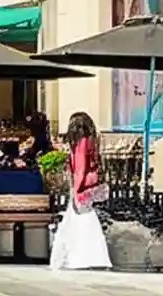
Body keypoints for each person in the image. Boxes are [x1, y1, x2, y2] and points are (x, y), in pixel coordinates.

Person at [50, 112, 112, 270]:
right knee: (83, 221)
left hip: (82, 188)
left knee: (81, 221)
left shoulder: (81, 144)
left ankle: (78, 258)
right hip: (88, 188)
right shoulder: (92, 141)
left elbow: (80, 168)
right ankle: (89, 257)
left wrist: (76, 191)